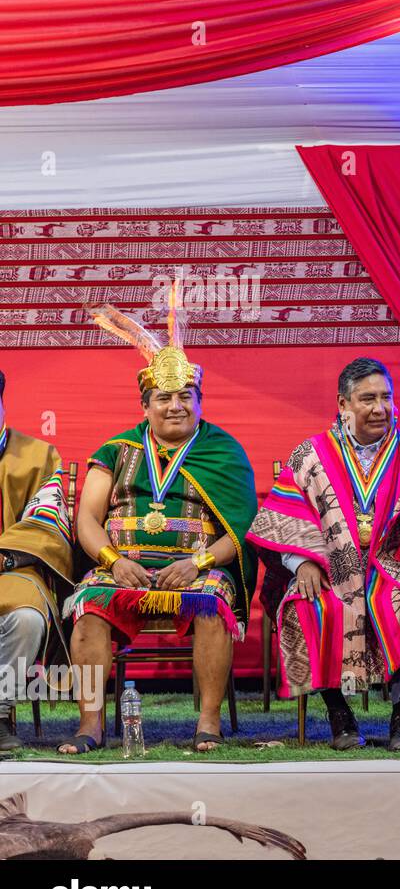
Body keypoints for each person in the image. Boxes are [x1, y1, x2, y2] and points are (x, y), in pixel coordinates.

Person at [60, 306, 257, 754]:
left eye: (186, 395)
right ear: (145, 405)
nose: (176, 406)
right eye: (165, 398)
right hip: (123, 568)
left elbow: (241, 531)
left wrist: (198, 563)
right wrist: (114, 560)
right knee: (89, 604)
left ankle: (208, 722)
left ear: (200, 400)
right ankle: (89, 724)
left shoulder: (223, 451)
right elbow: (87, 519)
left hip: (195, 568)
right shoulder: (115, 450)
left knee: (213, 602)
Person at [247, 358, 400, 751]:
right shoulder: (310, 455)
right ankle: (339, 715)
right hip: (330, 566)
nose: (380, 408)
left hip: (389, 563)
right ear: (343, 404)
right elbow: (278, 518)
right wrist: (302, 562)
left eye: (386, 398)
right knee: (312, 606)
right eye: (368, 399)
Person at [0, 371, 75, 750]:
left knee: (27, 619)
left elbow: (46, 521)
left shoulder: (38, 455)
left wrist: (5, 555)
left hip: (12, 569)